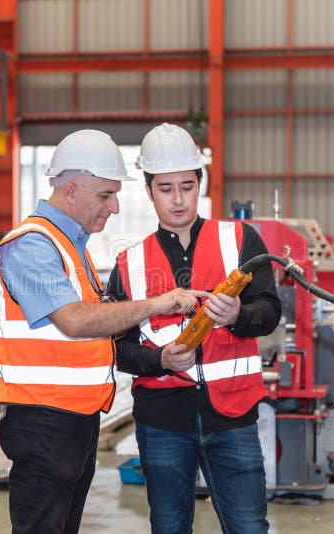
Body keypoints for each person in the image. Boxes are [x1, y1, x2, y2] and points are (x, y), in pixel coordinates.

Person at [0, 129, 199, 534]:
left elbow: (95, 341)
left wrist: (157, 357)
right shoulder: (32, 246)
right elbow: (75, 320)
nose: (115, 206)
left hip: (72, 418)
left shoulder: (72, 248)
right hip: (42, 418)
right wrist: (158, 304)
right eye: (105, 195)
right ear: (71, 191)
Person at [106, 123, 282, 534]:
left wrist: (237, 315)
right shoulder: (129, 265)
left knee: (249, 527)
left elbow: (270, 312)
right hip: (163, 423)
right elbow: (118, 350)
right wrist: (159, 359)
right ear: (148, 191)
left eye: (187, 186)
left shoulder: (240, 241)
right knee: (169, 527)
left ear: (200, 182)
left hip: (233, 418)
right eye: (166, 189)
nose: (178, 199)